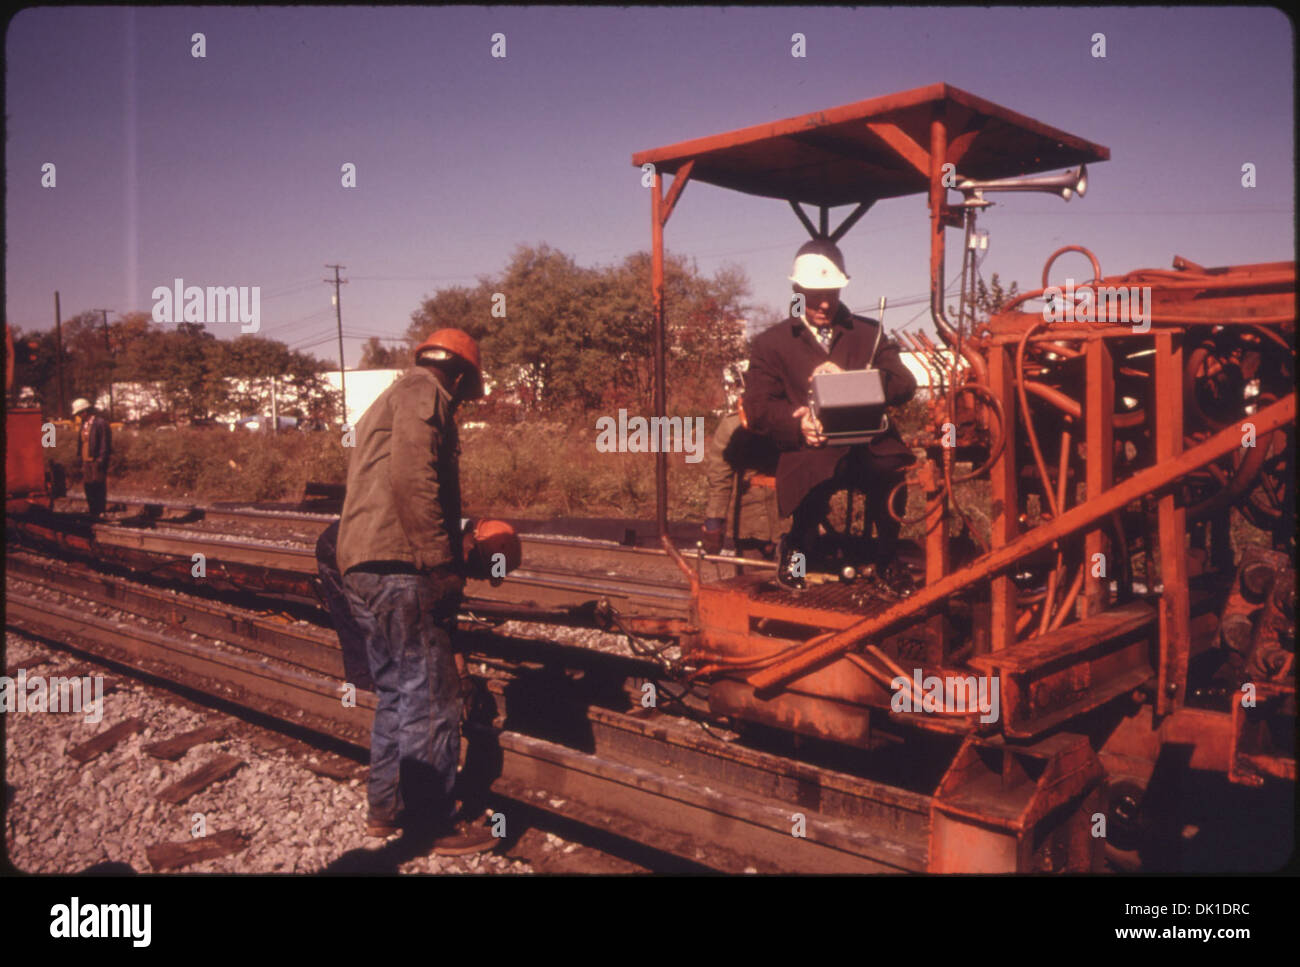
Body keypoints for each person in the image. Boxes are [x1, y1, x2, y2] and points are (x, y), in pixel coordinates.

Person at [335, 328, 496, 855]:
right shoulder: (425, 392)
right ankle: (432, 822)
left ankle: (386, 808)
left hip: (362, 566)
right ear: (458, 373)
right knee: (431, 696)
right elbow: (413, 478)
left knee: (397, 692)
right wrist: (441, 560)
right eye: (466, 387)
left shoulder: (390, 397)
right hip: (400, 566)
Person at [742, 239, 917, 589]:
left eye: (831, 293)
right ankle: (798, 552)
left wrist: (855, 384)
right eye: (813, 295)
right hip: (809, 446)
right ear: (797, 290)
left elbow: (904, 385)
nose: (824, 303)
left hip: (869, 445)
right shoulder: (771, 343)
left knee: (892, 467)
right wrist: (798, 424)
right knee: (811, 480)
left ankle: (886, 558)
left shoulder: (870, 333)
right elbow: (758, 407)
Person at [699, 363, 781, 557]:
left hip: (791, 527)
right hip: (750, 527)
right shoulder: (732, 426)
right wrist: (714, 524)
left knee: (797, 578)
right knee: (750, 582)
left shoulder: (799, 420)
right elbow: (720, 479)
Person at [72, 398, 111, 518]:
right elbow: (81, 442)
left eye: (79, 413)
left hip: (96, 460)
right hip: (86, 461)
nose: (78, 416)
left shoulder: (100, 423)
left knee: (98, 486)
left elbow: (105, 443)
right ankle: (93, 510)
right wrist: (79, 457)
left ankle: (100, 511)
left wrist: (101, 459)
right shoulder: (84, 425)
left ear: (85, 411)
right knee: (88, 487)